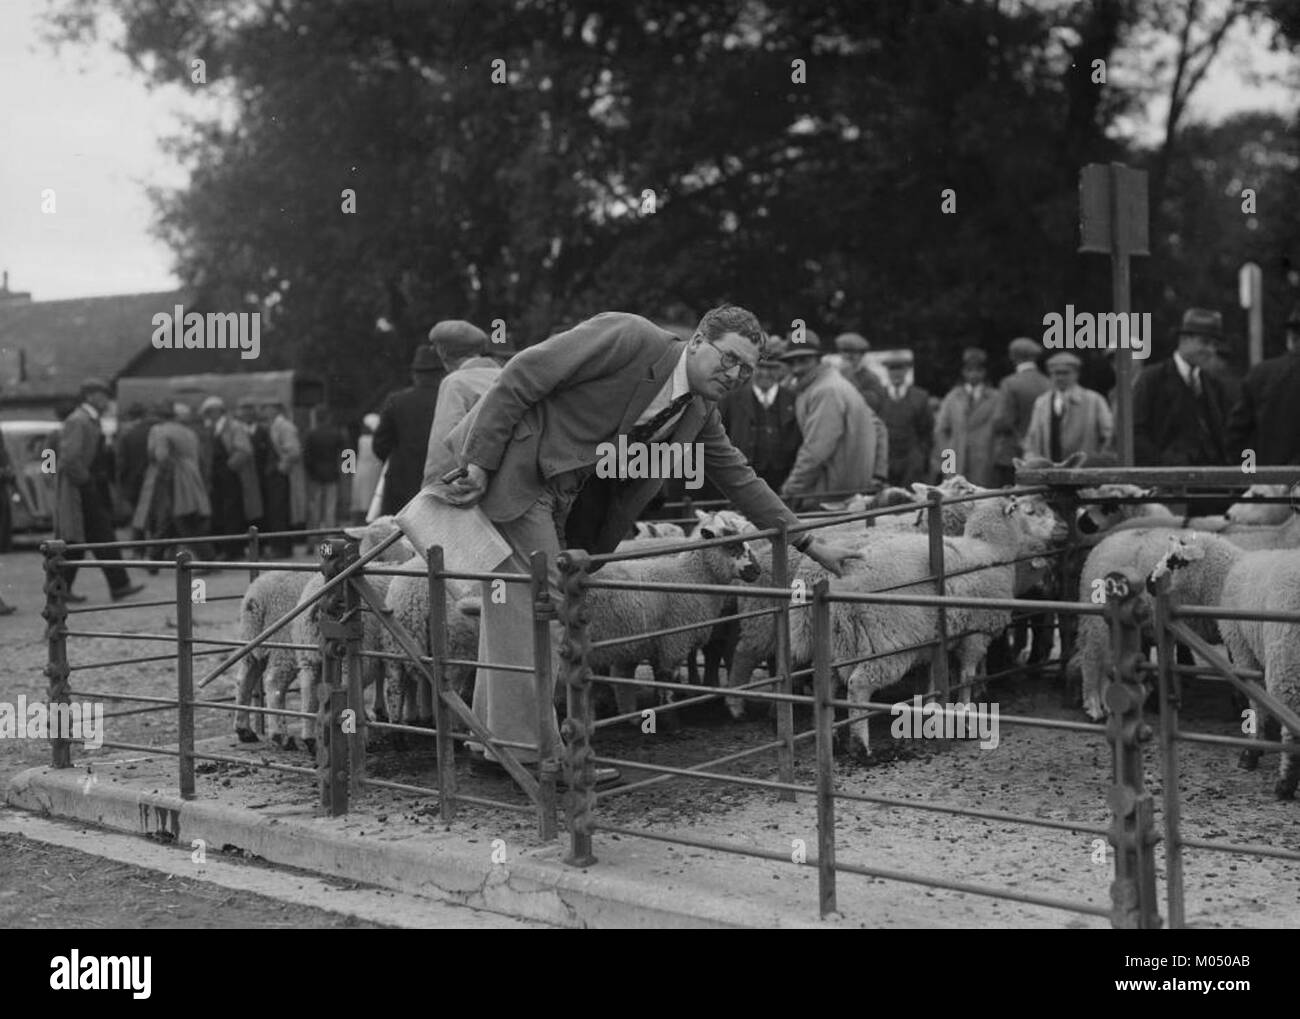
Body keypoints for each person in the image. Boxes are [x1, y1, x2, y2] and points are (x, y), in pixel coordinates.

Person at [434, 307, 862, 781]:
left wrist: (809, 542)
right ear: (698, 340)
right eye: (729, 359)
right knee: (550, 605)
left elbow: (741, 478)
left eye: (746, 369)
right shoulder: (629, 337)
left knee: (514, 605)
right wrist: (478, 460)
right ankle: (540, 755)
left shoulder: (698, 411)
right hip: (521, 472)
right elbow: (523, 373)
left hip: (567, 502)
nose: (735, 374)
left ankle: (491, 743)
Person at [56, 378, 145, 603]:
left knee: (83, 540)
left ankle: (62, 589)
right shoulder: (79, 420)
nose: (107, 400)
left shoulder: (89, 420)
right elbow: (69, 458)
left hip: (89, 487)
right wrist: (87, 482)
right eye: (103, 395)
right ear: (90, 396)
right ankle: (118, 585)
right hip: (82, 489)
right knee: (95, 537)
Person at [778, 331, 888, 508]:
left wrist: (789, 491)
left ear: (818, 359)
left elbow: (816, 451)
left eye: (804, 361)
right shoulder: (832, 382)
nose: (797, 368)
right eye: (792, 362)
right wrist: (878, 475)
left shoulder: (825, 391)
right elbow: (878, 426)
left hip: (831, 495)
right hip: (851, 491)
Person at [710, 345, 802, 494]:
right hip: (743, 477)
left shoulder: (793, 400)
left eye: (772, 368)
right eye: (761, 367)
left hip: (782, 480)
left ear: (780, 370)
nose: (766, 373)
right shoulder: (731, 399)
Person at [419, 320, 498, 487]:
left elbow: (443, 449)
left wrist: (433, 488)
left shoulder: (455, 383)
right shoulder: (504, 376)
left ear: (443, 353)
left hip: (472, 485)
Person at [133, 402, 213, 562]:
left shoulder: (160, 431)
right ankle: (154, 557)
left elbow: (160, 456)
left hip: (176, 479)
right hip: (192, 476)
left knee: (183, 520)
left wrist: (165, 472)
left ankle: (208, 559)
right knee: (172, 519)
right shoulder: (188, 432)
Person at [373, 344, 446, 515]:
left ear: (415, 374)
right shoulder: (450, 399)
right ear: (442, 373)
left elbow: (380, 445)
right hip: (440, 485)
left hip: (401, 483)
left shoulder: (396, 401)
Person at [1225, 304, 1300, 466]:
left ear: (1291, 336)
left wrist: (1251, 474)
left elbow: (1238, 438)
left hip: (1268, 484)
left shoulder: (1260, 374)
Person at [1023, 352, 1114, 461]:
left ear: (1076, 374)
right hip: (1050, 470)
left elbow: (1108, 435)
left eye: (1065, 373)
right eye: (1056, 373)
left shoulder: (1093, 400)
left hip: (1084, 469)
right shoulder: (1042, 402)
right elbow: (1032, 437)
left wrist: (1098, 460)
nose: (1060, 378)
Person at [201, 396, 262, 558]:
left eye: (209, 411)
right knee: (220, 514)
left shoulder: (233, 427)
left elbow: (245, 450)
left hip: (232, 478)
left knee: (232, 514)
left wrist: (229, 467)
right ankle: (224, 549)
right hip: (217, 480)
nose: (207, 415)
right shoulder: (212, 429)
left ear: (217, 411)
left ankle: (232, 550)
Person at [933, 347, 999, 487]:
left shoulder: (995, 398)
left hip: (984, 464)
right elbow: (941, 431)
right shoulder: (953, 397)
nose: (973, 375)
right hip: (956, 461)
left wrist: (993, 459)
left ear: (984, 373)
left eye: (978, 370)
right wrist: (948, 464)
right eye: (969, 370)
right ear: (963, 372)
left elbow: (1000, 432)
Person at [992, 337, 1051, 486]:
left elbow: (1002, 422)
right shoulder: (1048, 383)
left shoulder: (1010, 383)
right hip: (1042, 457)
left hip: (1012, 455)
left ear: (1013, 356)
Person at [876, 353, 933, 487]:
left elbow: (927, 431)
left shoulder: (920, 397)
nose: (896, 374)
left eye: (900, 369)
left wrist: (920, 457)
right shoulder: (878, 396)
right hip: (885, 460)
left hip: (911, 460)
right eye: (892, 369)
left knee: (912, 500)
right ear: (887, 372)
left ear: (907, 371)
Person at [262, 401, 306, 557]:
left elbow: (294, 451)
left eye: (267, 407)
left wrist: (282, 465)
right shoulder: (276, 425)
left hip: (282, 476)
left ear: (275, 409)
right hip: (278, 475)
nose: (264, 411)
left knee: (279, 511)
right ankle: (281, 547)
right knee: (277, 512)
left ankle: (281, 548)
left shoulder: (284, 427)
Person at [303, 406, 348, 530]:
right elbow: (348, 453)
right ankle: (330, 539)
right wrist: (348, 471)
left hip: (315, 476)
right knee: (330, 508)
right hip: (332, 473)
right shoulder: (337, 433)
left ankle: (312, 540)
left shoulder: (311, 434)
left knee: (314, 509)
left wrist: (310, 473)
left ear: (316, 418)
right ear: (329, 417)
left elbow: (306, 457)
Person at [834, 331, 887, 412]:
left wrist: (851, 379)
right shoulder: (832, 374)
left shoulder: (871, 378)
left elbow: (874, 404)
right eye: (845, 351)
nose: (849, 356)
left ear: (862, 355)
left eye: (854, 352)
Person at [350, 413, 383, 524]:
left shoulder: (359, 440)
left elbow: (348, 455)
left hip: (361, 472)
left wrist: (348, 472)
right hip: (374, 472)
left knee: (361, 501)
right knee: (369, 500)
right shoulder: (378, 440)